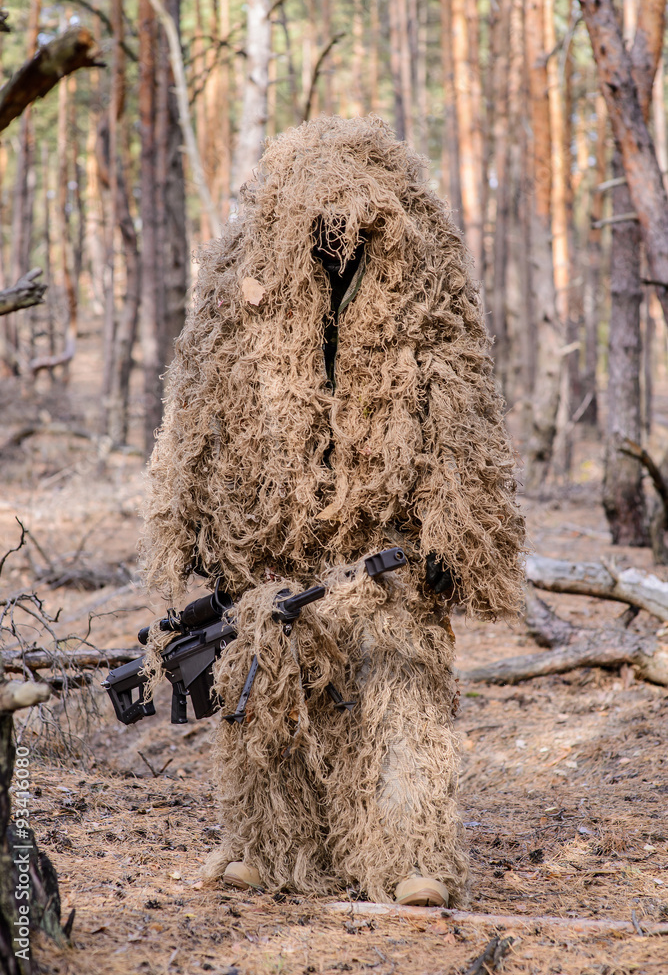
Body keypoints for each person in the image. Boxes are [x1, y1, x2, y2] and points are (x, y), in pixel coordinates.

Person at [142, 115, 525, 906]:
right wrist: (188, 530)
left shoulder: (423, 273)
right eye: (321, 229)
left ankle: (409, 855)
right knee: (266, 683)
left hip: (382, 533)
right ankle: (268, 849)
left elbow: (461, 403)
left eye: (353, 229)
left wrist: (456, 529)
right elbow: (194, 408)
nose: (338, 242)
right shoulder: (236, 279)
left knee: (400, 688)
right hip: (269, 533)